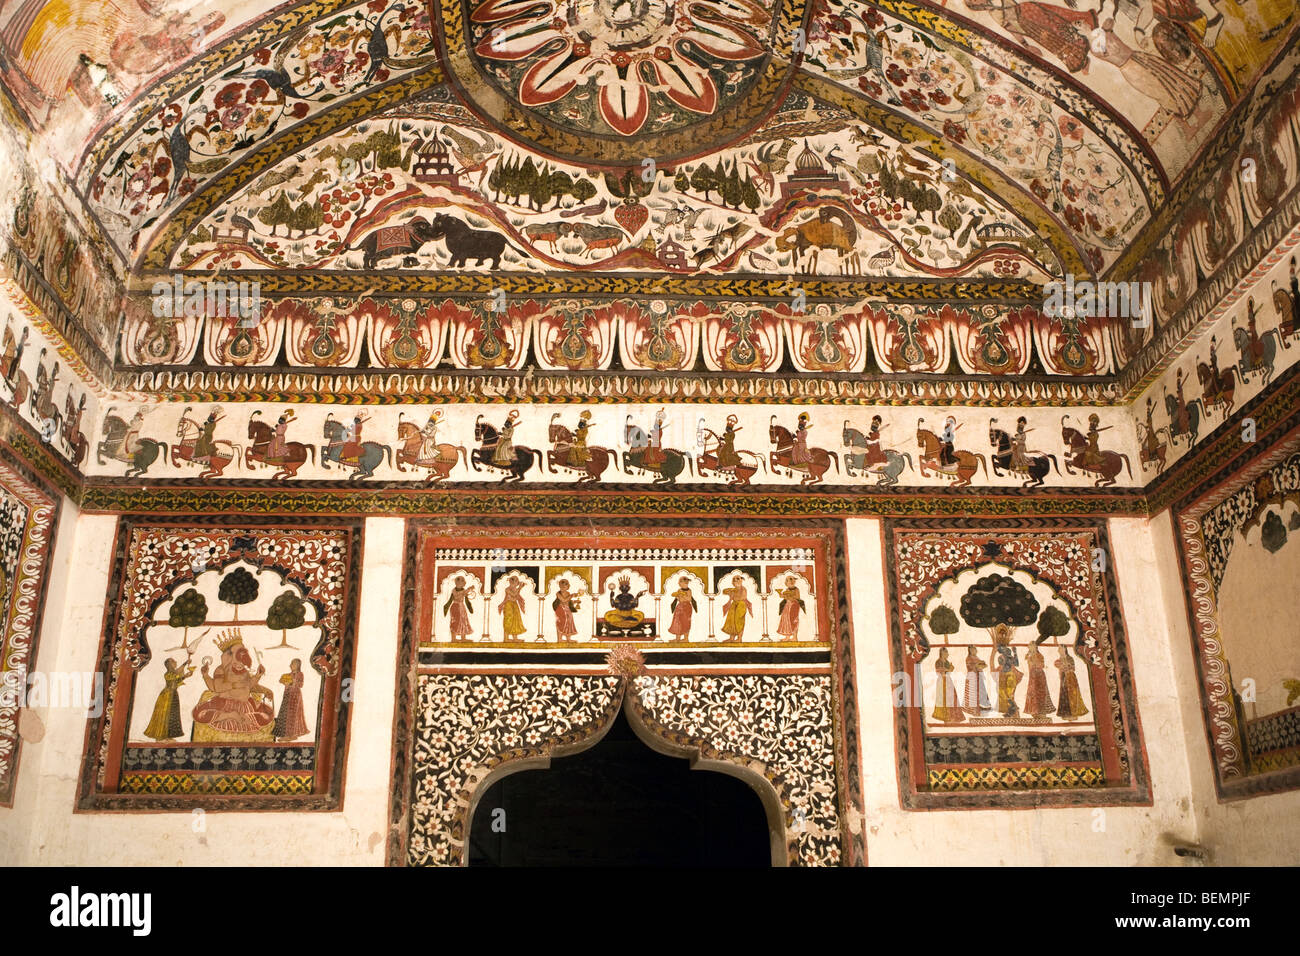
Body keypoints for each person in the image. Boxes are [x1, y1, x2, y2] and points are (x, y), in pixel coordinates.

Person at [191, 633, 275, 742]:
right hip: (225, 704)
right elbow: (217, 687)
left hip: (245, 705)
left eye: (242, 661)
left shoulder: (244, 671)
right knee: (198, 714)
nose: (240, 664)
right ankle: (229, 715)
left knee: (269, 714)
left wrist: (259, 677)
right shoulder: (221, 669)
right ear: (229, 656)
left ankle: (245, 716)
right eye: (236, 658)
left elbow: (249, 685)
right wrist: (234, 685)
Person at [143, 653, 196, 741]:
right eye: (173, 661)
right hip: (167, 696)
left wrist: (185, 669)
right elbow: (175, 678)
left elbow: (177, 679)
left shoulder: (172, 673)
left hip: (173, 694)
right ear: (169, 665)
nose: (175, 662)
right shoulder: (167, 674)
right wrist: (185, 673)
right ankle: (162, 735)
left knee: (172, 714)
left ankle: (168, 735)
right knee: (165, 715)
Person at [273, 658, 309, 741]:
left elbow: (301, 685)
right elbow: (281, 680)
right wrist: (285, 682)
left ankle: (291, 735)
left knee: (292, 716)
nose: (290, 665)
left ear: (297, 665)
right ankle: (285, 734)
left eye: (293, 664)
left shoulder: (300, 674)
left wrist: (293, 682)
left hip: (295, 697)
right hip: (287, 695)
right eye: (291, 664)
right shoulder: (288, 674)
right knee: (285, 714)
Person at [990, 636, 1022, 718]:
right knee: (1002, 693)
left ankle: (1012, 709)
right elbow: (1000, 663)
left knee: (1009, 693)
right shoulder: (1001, 657)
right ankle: (1011, 709)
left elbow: (1016, 664)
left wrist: (1015, 653)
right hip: (1003, 676)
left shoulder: (1009, 657)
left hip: (1010, 675)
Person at [1054, 645, 1090, 720]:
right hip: (1064, 677)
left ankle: (1073, 714)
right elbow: (1057, 665)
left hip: (1070, 677)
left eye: (1060, 649)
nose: (1059, 650)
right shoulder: (1059, 659)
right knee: (1064, 695)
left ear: (1064, 649)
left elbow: (1073, 668)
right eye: (1059, 649)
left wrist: (1066, 666)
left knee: (1072, 695)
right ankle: (1066, 714)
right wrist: (1063, 667)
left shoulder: (1070, 658)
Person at [931, 647, 965, 723]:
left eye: (947, 652)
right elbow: (938, 670)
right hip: (941, 680)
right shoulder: (938, 661)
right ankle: (945, 717)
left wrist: (950, 668)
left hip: (948, 680)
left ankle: (953, 716)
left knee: (952, 697)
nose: (947, 654)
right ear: (942, 653)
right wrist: (947, 669)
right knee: (943, 698)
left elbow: (949, 670)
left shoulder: (947, 661)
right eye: (946, 652)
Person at [1024, 643, 1055, 718]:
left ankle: (1041, 711)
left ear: (1035, 647)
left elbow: (1042, 665)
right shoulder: (1030, 656)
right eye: (1029, 648)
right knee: (1033, 693)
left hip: (1039, 675)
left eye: (1031, 647)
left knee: (1041, 693)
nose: (1030, 649)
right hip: (1033, 676)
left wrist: (1034, 664)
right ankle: (1034, 711)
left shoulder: (1039, 655)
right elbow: (1029, 667)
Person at [443, 575, 475, 641]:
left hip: (462, 607)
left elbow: (465, 597)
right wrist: (468, 589)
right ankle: (453, 638)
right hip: (455, 607)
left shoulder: (463, 590)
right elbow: (457, 596)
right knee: (455, 622)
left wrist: (470, 608)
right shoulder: (454, 590)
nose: (464, 582)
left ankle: (463, 638)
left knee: (464, 621)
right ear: (458, 582)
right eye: (462, 581)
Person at [720, 574, 751, 641]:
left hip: (741, 605)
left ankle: (739, 638)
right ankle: (732, 638)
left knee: (739, 621)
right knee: (731, 621)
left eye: (737, 581)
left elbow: (743, 597)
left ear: (740, 582)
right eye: (734, 582)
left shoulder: (743, 589)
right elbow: (724, 591)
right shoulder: (733, 589)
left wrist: (733, 594)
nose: (736, 583)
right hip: (734, 605)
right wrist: (732, 592)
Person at [963, 644, 991, 715]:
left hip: (978, 676)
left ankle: (983, 705)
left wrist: (981, 664)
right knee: (972, 692)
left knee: (981, 690)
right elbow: (970, 666)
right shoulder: (968, 658)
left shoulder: (976, 657)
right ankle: (972, 708)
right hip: (972, 676)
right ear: (969, 651)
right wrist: (977, 665)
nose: (974, 651)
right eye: (972, 650)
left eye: (974, 649)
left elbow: (981, 665)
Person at [775, 576, 805, 640]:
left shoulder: (796, 589)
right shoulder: (787, 590)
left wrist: (789, 597)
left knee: (793, 620)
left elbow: (797, 598)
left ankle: (795, 637)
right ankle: (787, 636)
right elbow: (784, 596)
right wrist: (781, 595)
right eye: (790, 580)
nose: (792, 582)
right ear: (786, 582)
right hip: (787, 606)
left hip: (794, 605)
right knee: (786, 620)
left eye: (793, 580)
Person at [498, 574, 527, 641]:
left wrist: (519, 588)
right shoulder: (507, 589)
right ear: (512, 582)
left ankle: (515, 638)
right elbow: (514, 594)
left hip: (514, 605)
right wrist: (520, 588)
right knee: (508, 621)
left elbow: (515, 596)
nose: (518, 583)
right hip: (508, 606)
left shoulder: (515, 589)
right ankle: (506, 638)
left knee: (515, 621)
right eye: (517, 582)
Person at [668, 575, 696, 640]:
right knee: (677, 621)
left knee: (686, 622)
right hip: (680, 606)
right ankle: (678, 638)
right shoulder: (679, 590)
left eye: (680, 582)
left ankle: (686, 638)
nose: (679, 583)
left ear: (685, 583)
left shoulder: (689, 591)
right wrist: (677, 596)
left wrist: (683, 594)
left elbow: (689, 599)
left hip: (686, 607)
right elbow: (678, 598)